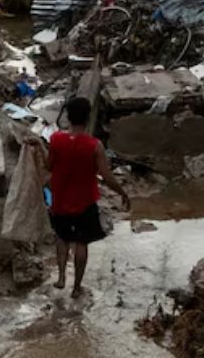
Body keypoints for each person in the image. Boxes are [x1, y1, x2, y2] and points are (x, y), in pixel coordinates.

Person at [46, 96, 129, 297]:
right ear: (88, 117)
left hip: (60, 200)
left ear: (68, 117)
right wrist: (122, 192)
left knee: (62, 238)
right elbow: (106, 176)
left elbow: (48, 166)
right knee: (81, 243)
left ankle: (61, 278)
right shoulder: (94, 145)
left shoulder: (56, 140)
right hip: (85, 201)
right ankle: (76, 288)